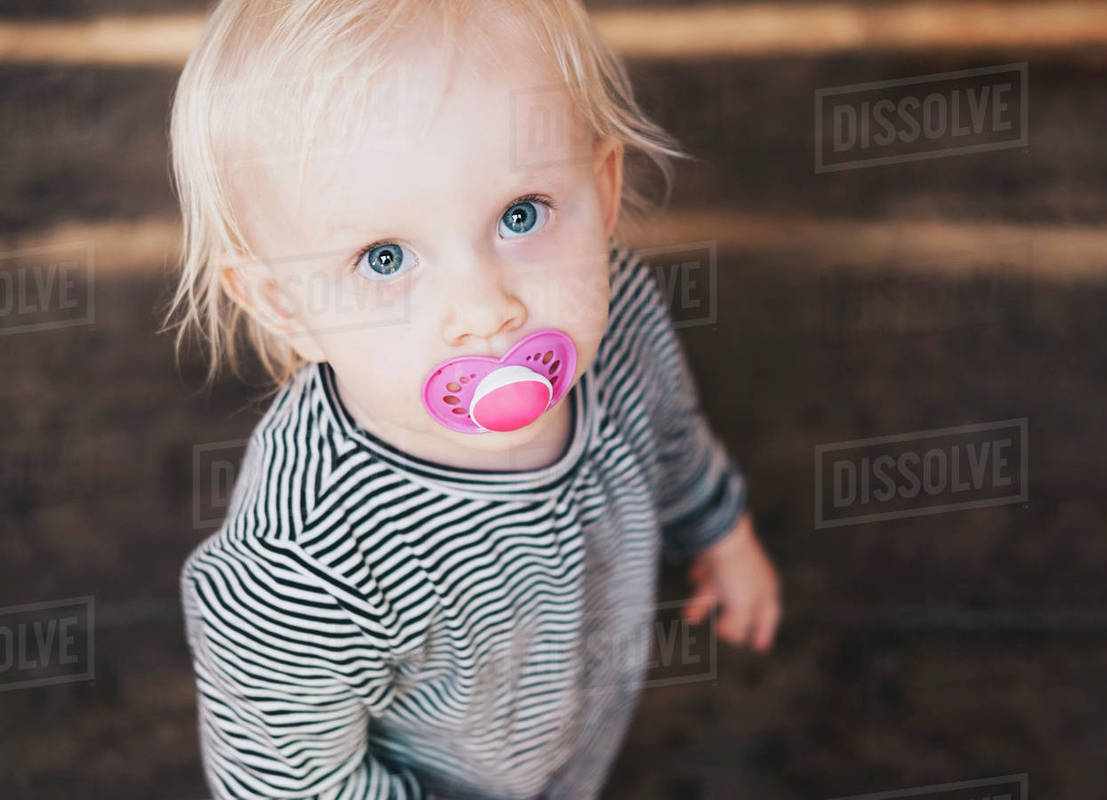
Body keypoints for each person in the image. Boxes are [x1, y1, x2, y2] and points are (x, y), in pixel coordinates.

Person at [163, 1, 781, 797]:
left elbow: (668, 431)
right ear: (284, 305)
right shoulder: (303, 569)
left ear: (603, 187)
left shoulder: (616, 307)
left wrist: (720, 530)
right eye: (385, 258)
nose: (487, 310)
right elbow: (299, 786)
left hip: (570, 734)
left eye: (521, 216)